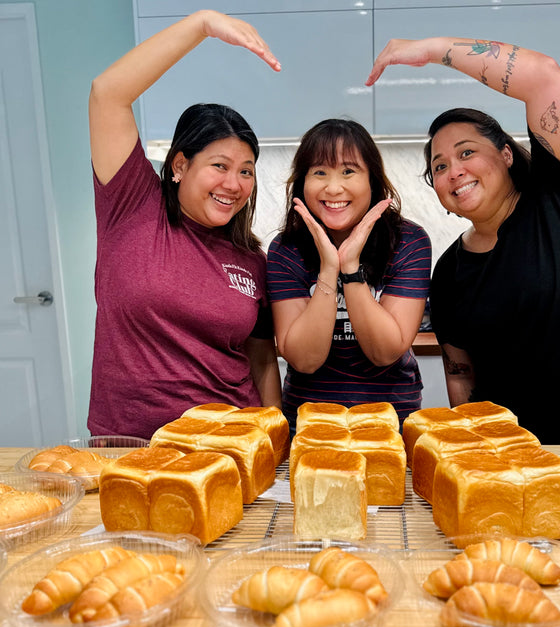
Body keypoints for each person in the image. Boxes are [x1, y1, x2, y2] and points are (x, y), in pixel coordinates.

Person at [366, 37, 560, 444]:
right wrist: (474, 447)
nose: (454, 170)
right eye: (439, 166)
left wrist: (431, 50)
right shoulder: (449, 272)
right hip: (521, 454)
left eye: (467, 152)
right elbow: (462, 375)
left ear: (507, 154)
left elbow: (542, 75)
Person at [87, 11, 283, 439]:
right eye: (220, 166)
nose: (234, 184)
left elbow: (262, 358)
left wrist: (276, 437)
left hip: (230, 444)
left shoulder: (250, 259)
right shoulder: (132, 203)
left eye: (246, 171)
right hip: (128, 446)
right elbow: (107, 94)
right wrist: (202, 25)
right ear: (180, 165)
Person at [266, 118, 432, 433]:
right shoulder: (285, 249)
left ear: (373, 181)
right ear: (303, 183)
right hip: (310, 421)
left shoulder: (408, 241)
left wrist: (351, 268)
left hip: (391, 419)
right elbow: (304, 359)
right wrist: (329, 269)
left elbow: (385, 352)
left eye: (348, 171)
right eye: (319, 172)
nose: (333, 187)